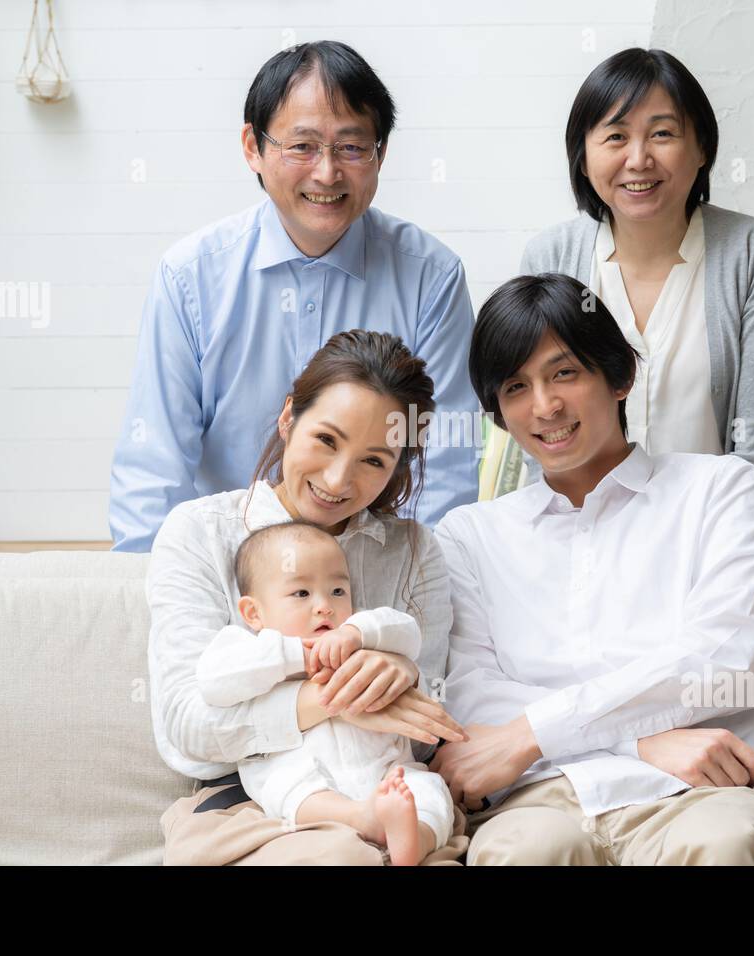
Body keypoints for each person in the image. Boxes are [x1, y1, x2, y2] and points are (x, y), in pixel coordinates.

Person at [431, 274, 754, 866]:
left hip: (698, 792)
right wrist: (643, 739)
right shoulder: (469, 535)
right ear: (498, 413)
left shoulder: (723, 490)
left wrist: (532, 732)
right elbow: (471, 699)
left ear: (620, 376)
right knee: (523, 853)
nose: (545, 405)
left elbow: (722, 662)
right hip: (542, 799)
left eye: (564, 373)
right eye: (516, 386)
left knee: (728, 845)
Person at [109, 40, 480, 553]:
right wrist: (155, 592)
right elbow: (154, 463)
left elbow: (444, 461)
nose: (327, 173)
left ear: (381, 154)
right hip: (226, 564)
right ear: (253, 148)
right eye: (302, 146)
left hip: (370, 573)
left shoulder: (431, 277)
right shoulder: (190, 277)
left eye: (351, 147)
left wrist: (420, 588)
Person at [151, 330, 468, 865]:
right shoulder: (201, 532)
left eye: (374, 460)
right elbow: (186, 727)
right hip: (252, 797)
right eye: (326, 439)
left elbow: (424, 732)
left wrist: (403, 674)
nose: (338, 479)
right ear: (287, 418)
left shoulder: (413, 552)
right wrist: (333, 701)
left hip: (381, 784)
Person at [520, 47, 754, 571]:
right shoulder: (551, 259)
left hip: (730, 555)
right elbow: (539, 434)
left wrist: (686, 565)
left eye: (662, 133)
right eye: (615, 136)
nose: (638, 159)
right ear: (584, 154)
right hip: (585, 556)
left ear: (702, 147)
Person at [194, 520, 455, 865]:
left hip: (385, 774)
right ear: (253, 613)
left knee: (429, 792)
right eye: (301, 593)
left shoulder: (359, 628)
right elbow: (214, 681)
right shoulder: (249, 648)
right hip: (304, 776)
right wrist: (297, 653)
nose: (324, 606)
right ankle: (360, 818)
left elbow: (407, 633)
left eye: (337, 591)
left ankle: (414, 841)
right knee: (285, 785)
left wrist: (356, 634)